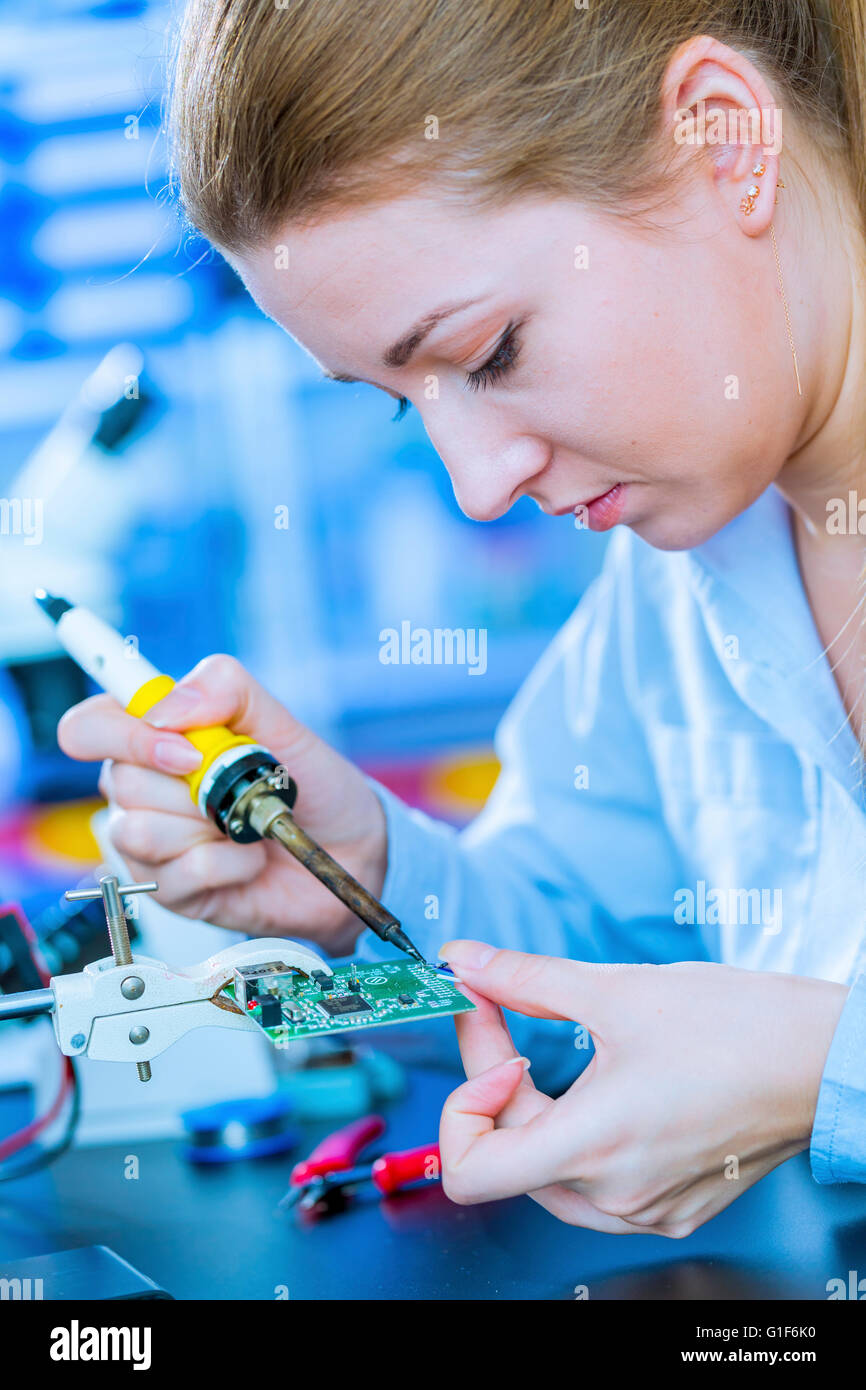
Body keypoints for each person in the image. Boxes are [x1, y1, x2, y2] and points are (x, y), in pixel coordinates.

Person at [59, 0, 866, 1236]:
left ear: (723, 141)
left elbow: (779, 1051)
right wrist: (365, 877)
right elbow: (604, 971)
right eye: (401, 403)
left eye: (486, 352)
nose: (478, 485)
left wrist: (823, 1068)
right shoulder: (673, 576)